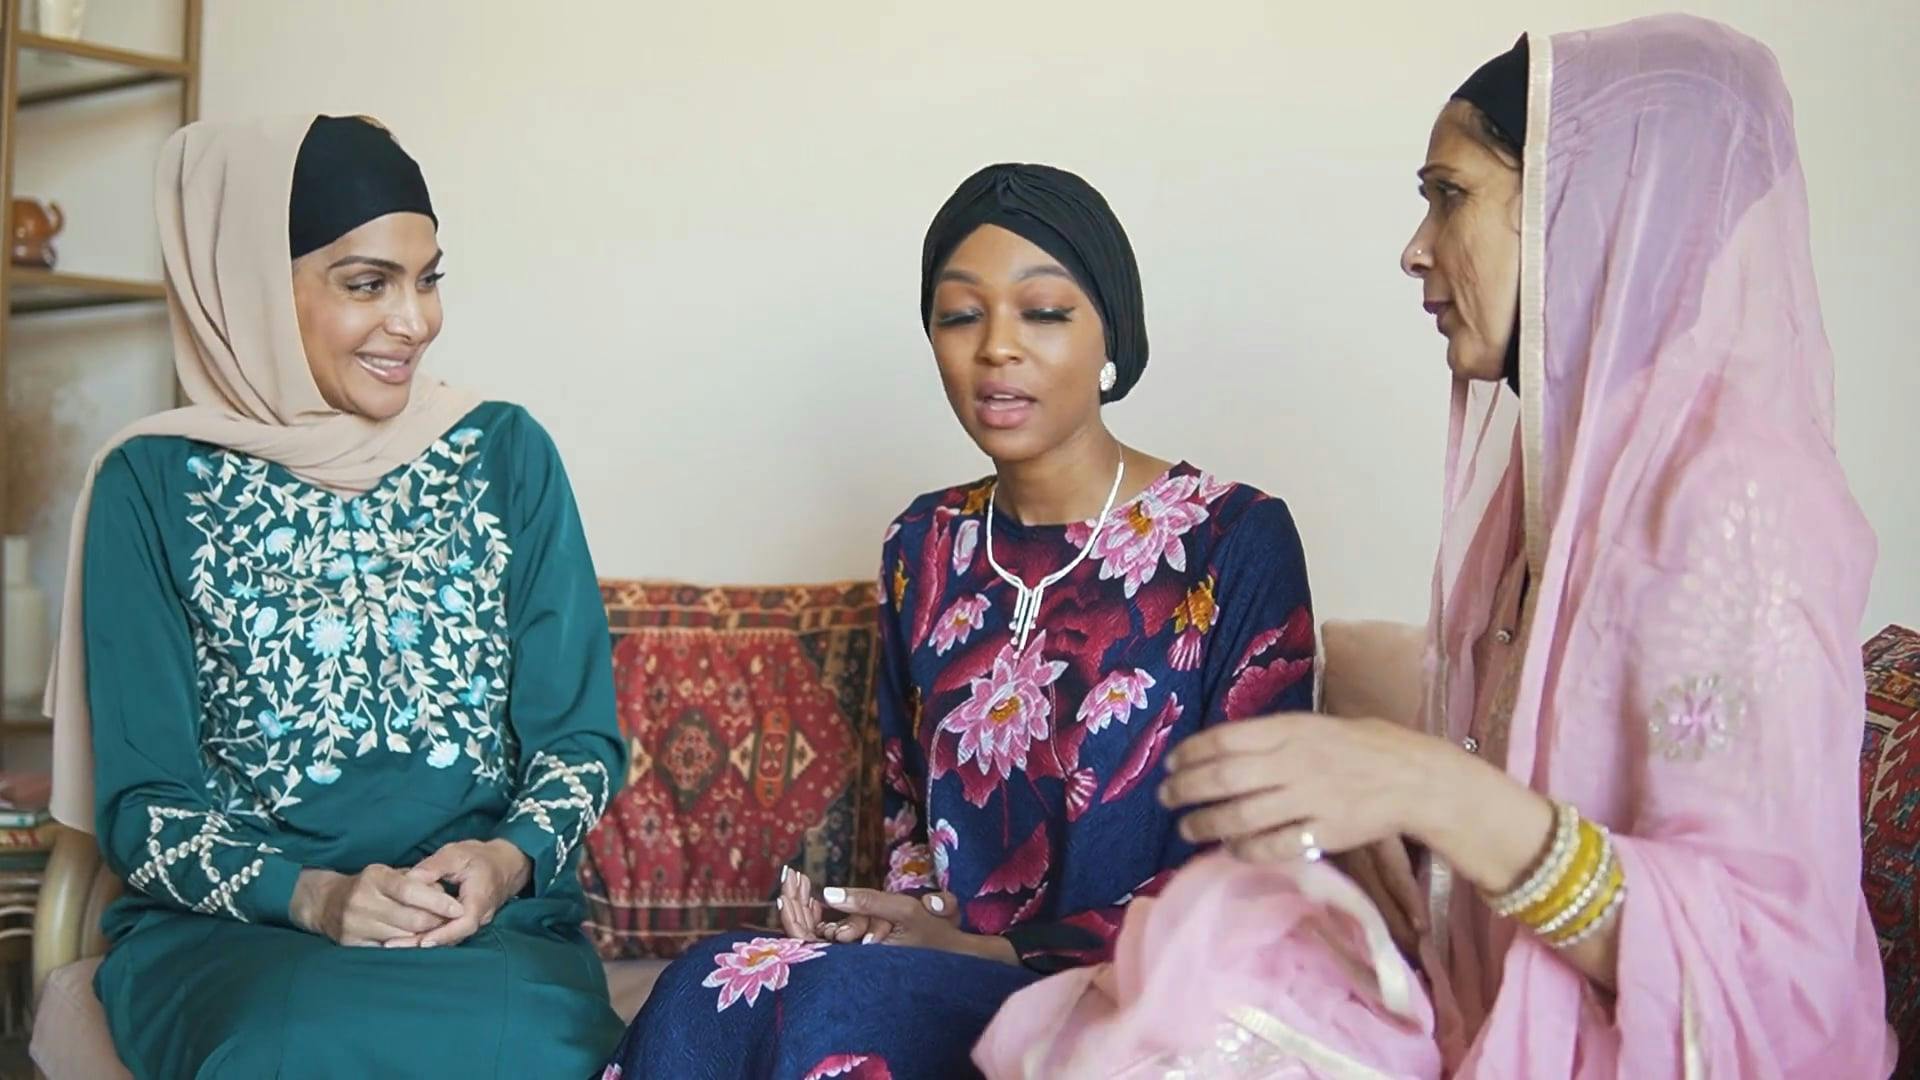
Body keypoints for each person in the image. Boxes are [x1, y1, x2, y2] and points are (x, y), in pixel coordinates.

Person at [978, 15, 1892, 1077]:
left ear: (1584, 201)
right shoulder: (1563, 488)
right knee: (1194, 967)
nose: (1414, 247)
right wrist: (1390, 819)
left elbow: (1752, 969)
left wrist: (1424, 786)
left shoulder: (1736, 495)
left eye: (1449, 194)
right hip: (1503, 1003)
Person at [602, 163, 1315, 1078]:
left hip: (1136, 989)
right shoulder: (924, 543)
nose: (996, 349)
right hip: (948, 972)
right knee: (712, 975)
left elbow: (1258, 855)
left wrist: (1010, 954)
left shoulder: (1234, 538)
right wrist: (902, 920)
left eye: (1045, 312)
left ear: (1114, 338)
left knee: (828, 1007)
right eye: (960, 315)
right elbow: (912, 812)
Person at [42, 114, 627, 1077]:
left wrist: (506, 860)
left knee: (533, 1049)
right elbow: (143, 807)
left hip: (479, 933)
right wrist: (311, 896)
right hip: (238, 939)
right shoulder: (149, 481)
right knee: (288, 1051)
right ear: (259, 293)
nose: (415, 321)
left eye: (428, 278)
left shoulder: (505, 452)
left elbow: (578, 740)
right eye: (368, 284)